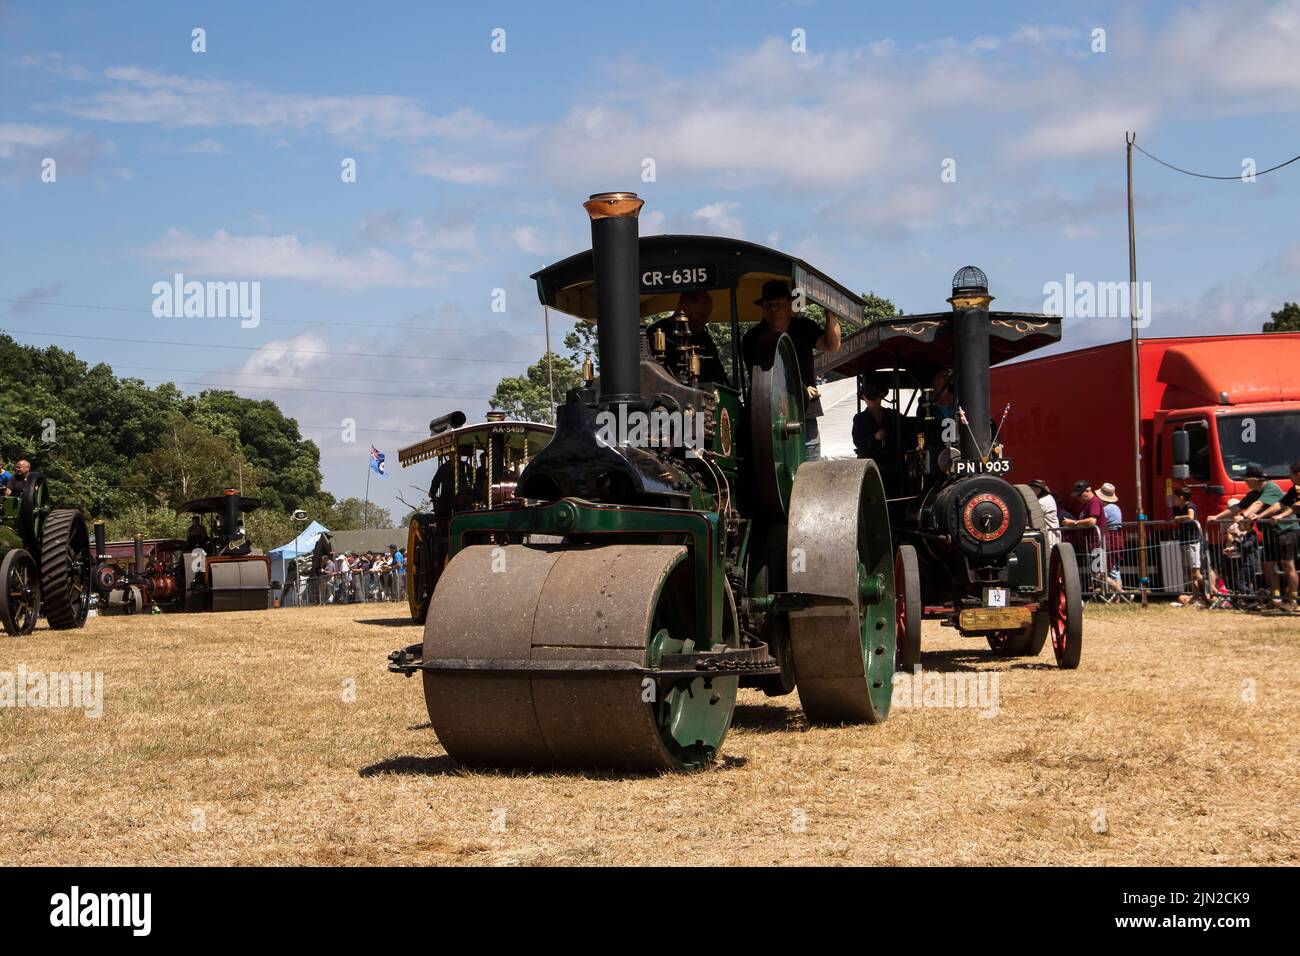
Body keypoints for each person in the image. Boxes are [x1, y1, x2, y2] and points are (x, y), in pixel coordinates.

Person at [740, 280, 841, 461]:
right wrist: (801, 389)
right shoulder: (752, 339)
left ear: (789, 306)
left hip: (805, 416)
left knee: (810, 473)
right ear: (763, 308)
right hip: (769, 418)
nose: (775, 309)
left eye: (780, 304)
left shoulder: (804, 327)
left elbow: (832, 345)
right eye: (769, 305)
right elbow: (761, 377)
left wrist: (831, 314)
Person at [645, 291, 728, 384]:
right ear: (685, 308)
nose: (705, 320)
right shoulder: (654, 332)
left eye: (707, 316)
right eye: (702, 315)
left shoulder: (704, 338)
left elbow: (719, 374)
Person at [1253, 461, 1300, 609]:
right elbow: (1279, 504)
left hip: (1290, 531)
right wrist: (1260, 517)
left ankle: (1293, 600)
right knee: (1283, 564)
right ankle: (1287, 600)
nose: (1289, 477)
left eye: (1291, 474)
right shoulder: (1294, 490)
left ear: (1298, 475)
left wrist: (1281, 516)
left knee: (1289, 565)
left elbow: (1297, 506)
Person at [1170, 487, 1207, 602]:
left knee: (1196, 572)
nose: (1173, 499)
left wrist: (1178, 518)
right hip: (1183, 541)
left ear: (1181, 498)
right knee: (1189, 573)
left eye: (1174, 497)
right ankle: (1196, 596)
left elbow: (1190, 517)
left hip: (1193, 542)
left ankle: (1211, 590)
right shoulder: (1176, 508)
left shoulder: (1190, 505)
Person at [852, 383, 898, 459]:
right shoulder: (859, 418)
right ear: (863, 397)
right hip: (870, 462)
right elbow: (858, 442)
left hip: (892, 460)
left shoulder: (892, 414)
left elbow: (911, 424)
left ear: (881, 396)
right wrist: (874, 437)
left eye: (875, 396)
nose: (872, 400)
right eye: (868, 396)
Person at [1096, 481, 1125, 592]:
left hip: (1110, 540)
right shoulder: (1116, 507)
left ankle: (1121, 592)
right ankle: (1118, 598)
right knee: (1115, 570)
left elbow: (1099, 521)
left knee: (1101, 572)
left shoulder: (1105, 509)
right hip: (1118, 538)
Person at [1028, 478, 1061, 548]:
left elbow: (1031, 515)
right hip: (1049, 534)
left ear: (1038, 489)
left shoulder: (1044, 501)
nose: (1031, 491)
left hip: (1050, 535)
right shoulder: (1047, 498)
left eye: (1032, 488)